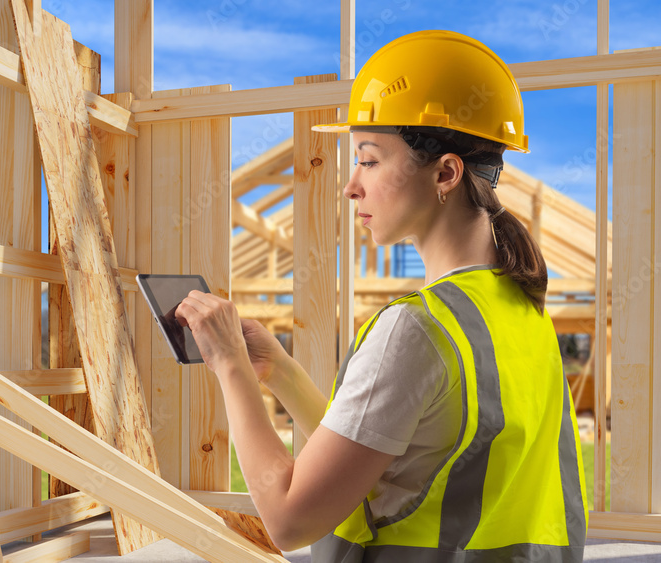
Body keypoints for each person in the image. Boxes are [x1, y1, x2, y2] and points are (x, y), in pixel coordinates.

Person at [175, 29, 587, 561]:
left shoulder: (418, 329)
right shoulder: (522, 312)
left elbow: (289, 518)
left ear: (445, 172)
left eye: (368, 160)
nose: (350, 186)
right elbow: (384, 451)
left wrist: (229, 365)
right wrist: (279, 370)